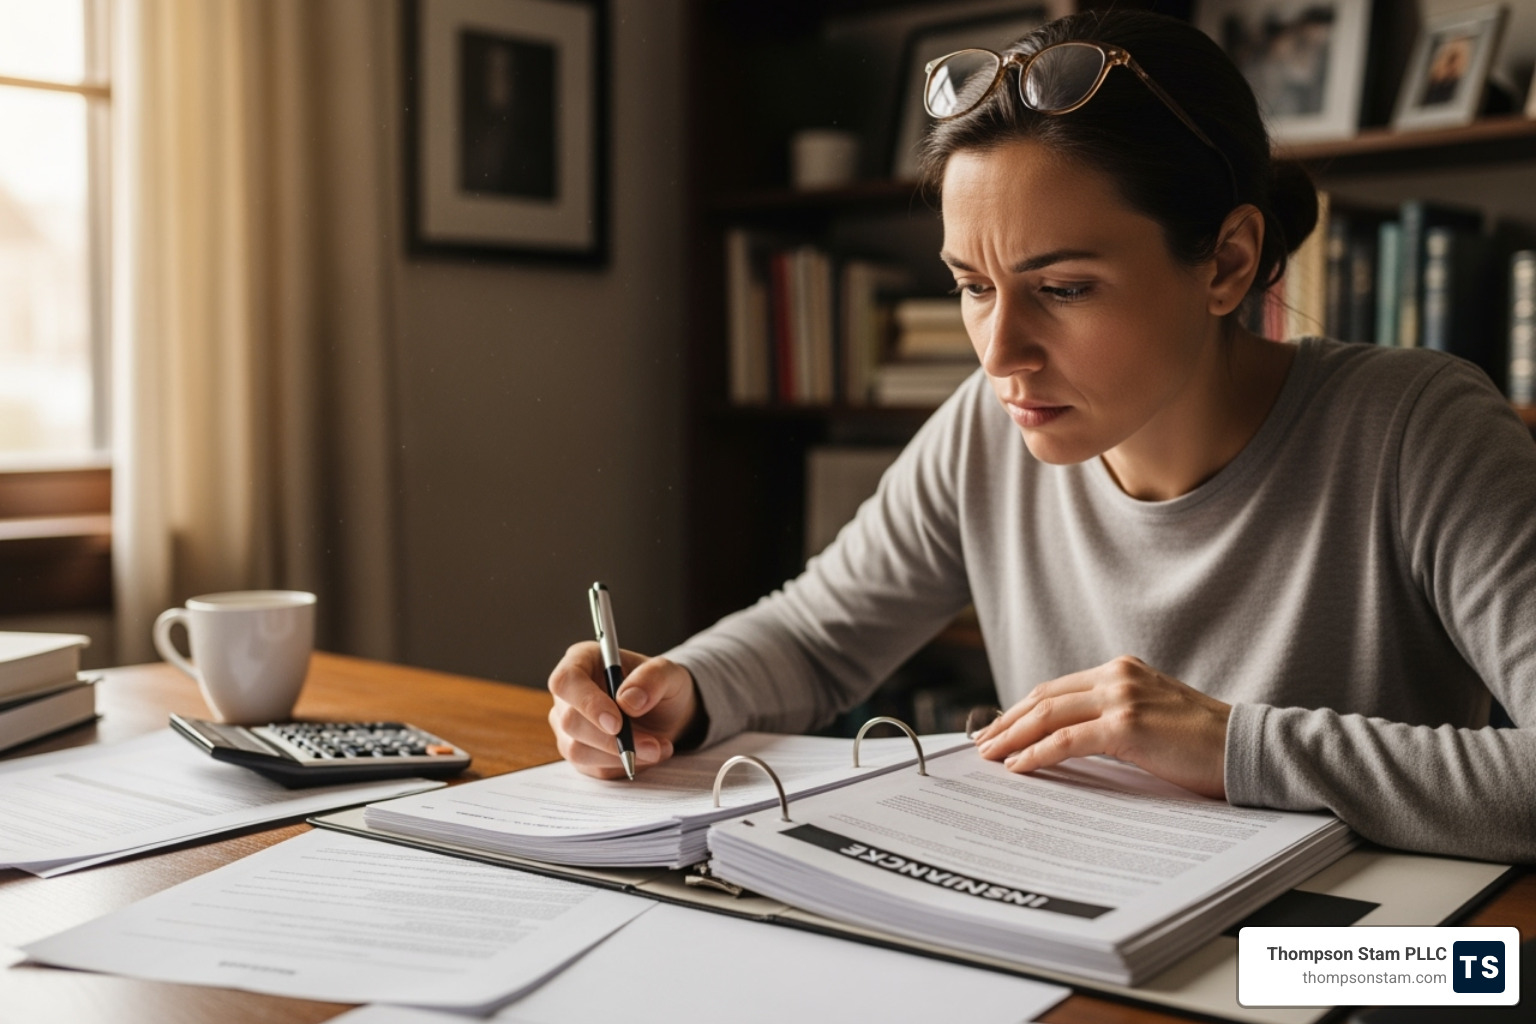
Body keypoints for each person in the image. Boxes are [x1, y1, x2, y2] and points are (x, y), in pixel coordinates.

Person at [546, 10, 1536, 864]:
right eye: (974, 288)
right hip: (1079, 941)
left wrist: (1231, 743)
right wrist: (682, 687)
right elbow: (817, 638)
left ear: (1228, 263)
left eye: (1062, 288)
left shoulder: (1421, 432)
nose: (1001, 351)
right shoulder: (991, 429)